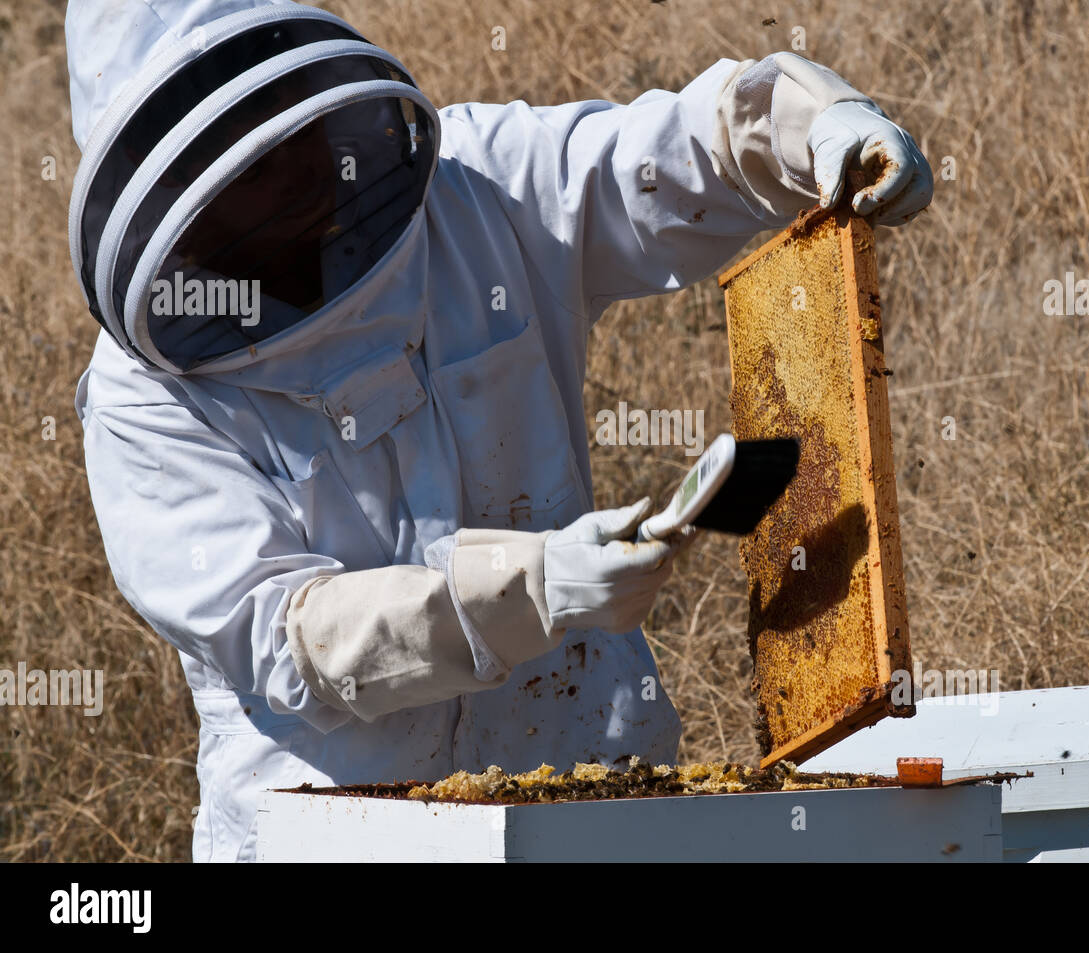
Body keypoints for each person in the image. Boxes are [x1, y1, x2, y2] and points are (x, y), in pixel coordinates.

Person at [66, 0, 933, 861]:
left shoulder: (478, 190)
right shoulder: (146, 403)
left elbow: (672, 156)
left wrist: (805, 124)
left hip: (591, 782)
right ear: (162, 177)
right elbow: (290, 639)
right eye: (236, 157)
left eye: (281, 122)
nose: (282, 170)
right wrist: (533, 588)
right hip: (334, 832)